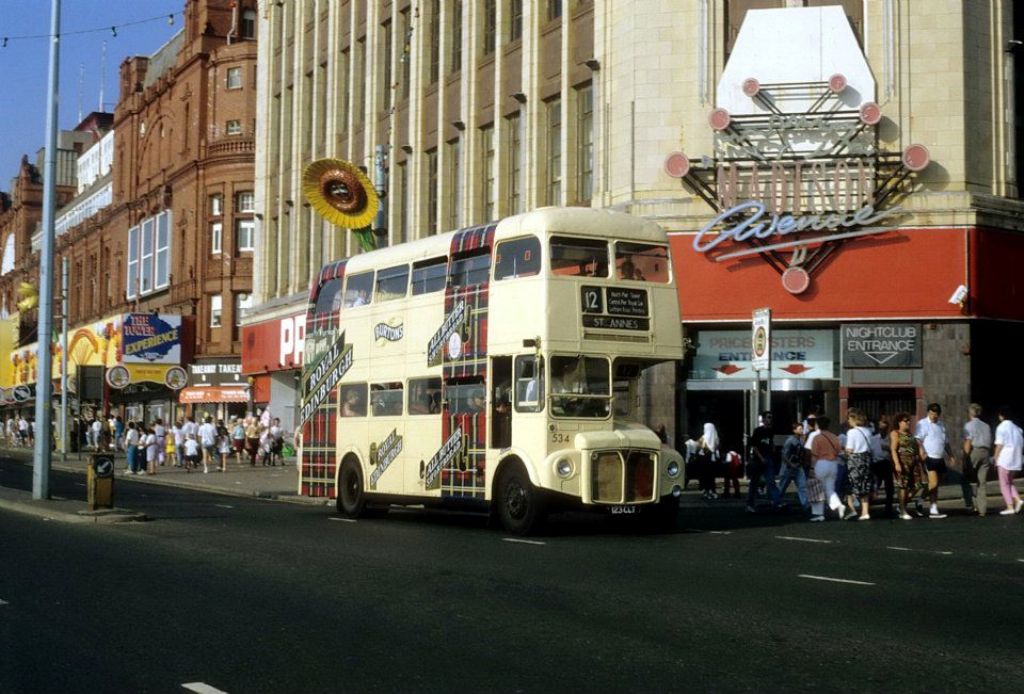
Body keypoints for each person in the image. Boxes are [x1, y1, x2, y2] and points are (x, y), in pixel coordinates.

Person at [915, 403, 955, 519]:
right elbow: (917, 439)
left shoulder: (942, 426)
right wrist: (922, 451)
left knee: (936, 484)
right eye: (931, 413)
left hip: (939, 457)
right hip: (929, 457)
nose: (933, 416)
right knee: (934, 483)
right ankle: (922, 501)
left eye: (936, 414)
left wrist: (951, 455)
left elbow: (946, 442)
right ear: (928, 412)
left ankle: (932, 507)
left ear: (939, 414)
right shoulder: (922, 424)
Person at [809, 416, 845, 520]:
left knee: (817, 488)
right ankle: (838, 504)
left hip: (821, 463)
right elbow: (839, 451)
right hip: (833, 463)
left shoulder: (817, 438)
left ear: (818, 425)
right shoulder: (834, 437)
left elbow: (814, 455)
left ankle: (818, 513)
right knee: (830, 488)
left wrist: (812, 468)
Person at [890, 413, 924, 519]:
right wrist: (897, 463)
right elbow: (893, 449)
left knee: (918, 484)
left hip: (914, 461)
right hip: (903, 461)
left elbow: (916, 447)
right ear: (899, 422)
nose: (908, 422)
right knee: (903, 486)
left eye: (909, 420)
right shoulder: (895, 433)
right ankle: (903, 510)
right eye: (905, 421)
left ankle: (902, 504)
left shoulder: (910, 434)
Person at [843, 408, 874, 521]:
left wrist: (843, 453)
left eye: (849, 418)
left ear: (853, 419)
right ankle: (865, 512)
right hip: (866, 459)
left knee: (850, 485)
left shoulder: (851, 432)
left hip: (855, 460)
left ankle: (852, 509)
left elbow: (850, 449)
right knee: (864, 485)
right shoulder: (868, 431)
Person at [962, 403, 993, 516]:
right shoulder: (986, 426)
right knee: (982, 482)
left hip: (975, 451)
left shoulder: (969, 425)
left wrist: (965, 458)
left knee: (965, 478)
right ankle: (982, 509)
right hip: (986, 452)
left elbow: (968, 442)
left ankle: (970, 504)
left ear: (970, 413)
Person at [992, 406, 1023, 515]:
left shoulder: (1001, 427)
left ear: (1001, 416)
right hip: (1016, 458)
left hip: (1005, 458)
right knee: (1010, 482)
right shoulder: (1018, 429)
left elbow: (999, 444)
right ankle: (1018, 500)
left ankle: (1010, 506)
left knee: (1004, 484)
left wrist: (995, 458)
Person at [747, 411, 780, 513]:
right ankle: (750, 504)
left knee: (771, 481)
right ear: (764, 419)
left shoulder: (771, 431)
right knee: (754, 482)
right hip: (759, 459)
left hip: (768, 457)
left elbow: (771, 442)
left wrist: (773, 450)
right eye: (768, 417)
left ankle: (775, 503)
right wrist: (761, 458)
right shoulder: (758, 431)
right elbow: (754, 445)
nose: (770, 420)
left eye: (771, 418)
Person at [777, 421, 808, 513]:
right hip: (789, 468)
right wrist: (790, 464)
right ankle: (776, 502)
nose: (802, 430)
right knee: (782, 486)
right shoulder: (790, 440)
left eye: (802, 429)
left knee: (802, 486)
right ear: (794, 430)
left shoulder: (801, 440)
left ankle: (805, 505)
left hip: (798, 466)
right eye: (799, 429)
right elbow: (784, 454)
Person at [870, 418, 895, 518]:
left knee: (889, 487)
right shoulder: (873, 439)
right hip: (876, 463)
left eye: (885, 428)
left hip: (887, 463)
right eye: (881, 428)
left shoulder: (891, 438)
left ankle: (888, 509)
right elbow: (871, 451)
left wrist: (889, 449)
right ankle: (868, 507)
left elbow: (895, 450)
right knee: (875, 486)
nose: (883, 430)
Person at [696, 422, 720, 500]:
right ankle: (712, 491)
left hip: (704, 461)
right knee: (711, 477)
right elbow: (717, 447)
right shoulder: (716, 438)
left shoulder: (703, 438)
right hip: (712, 461)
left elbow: (698, 447)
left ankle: (706, 491)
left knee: (705, 477)